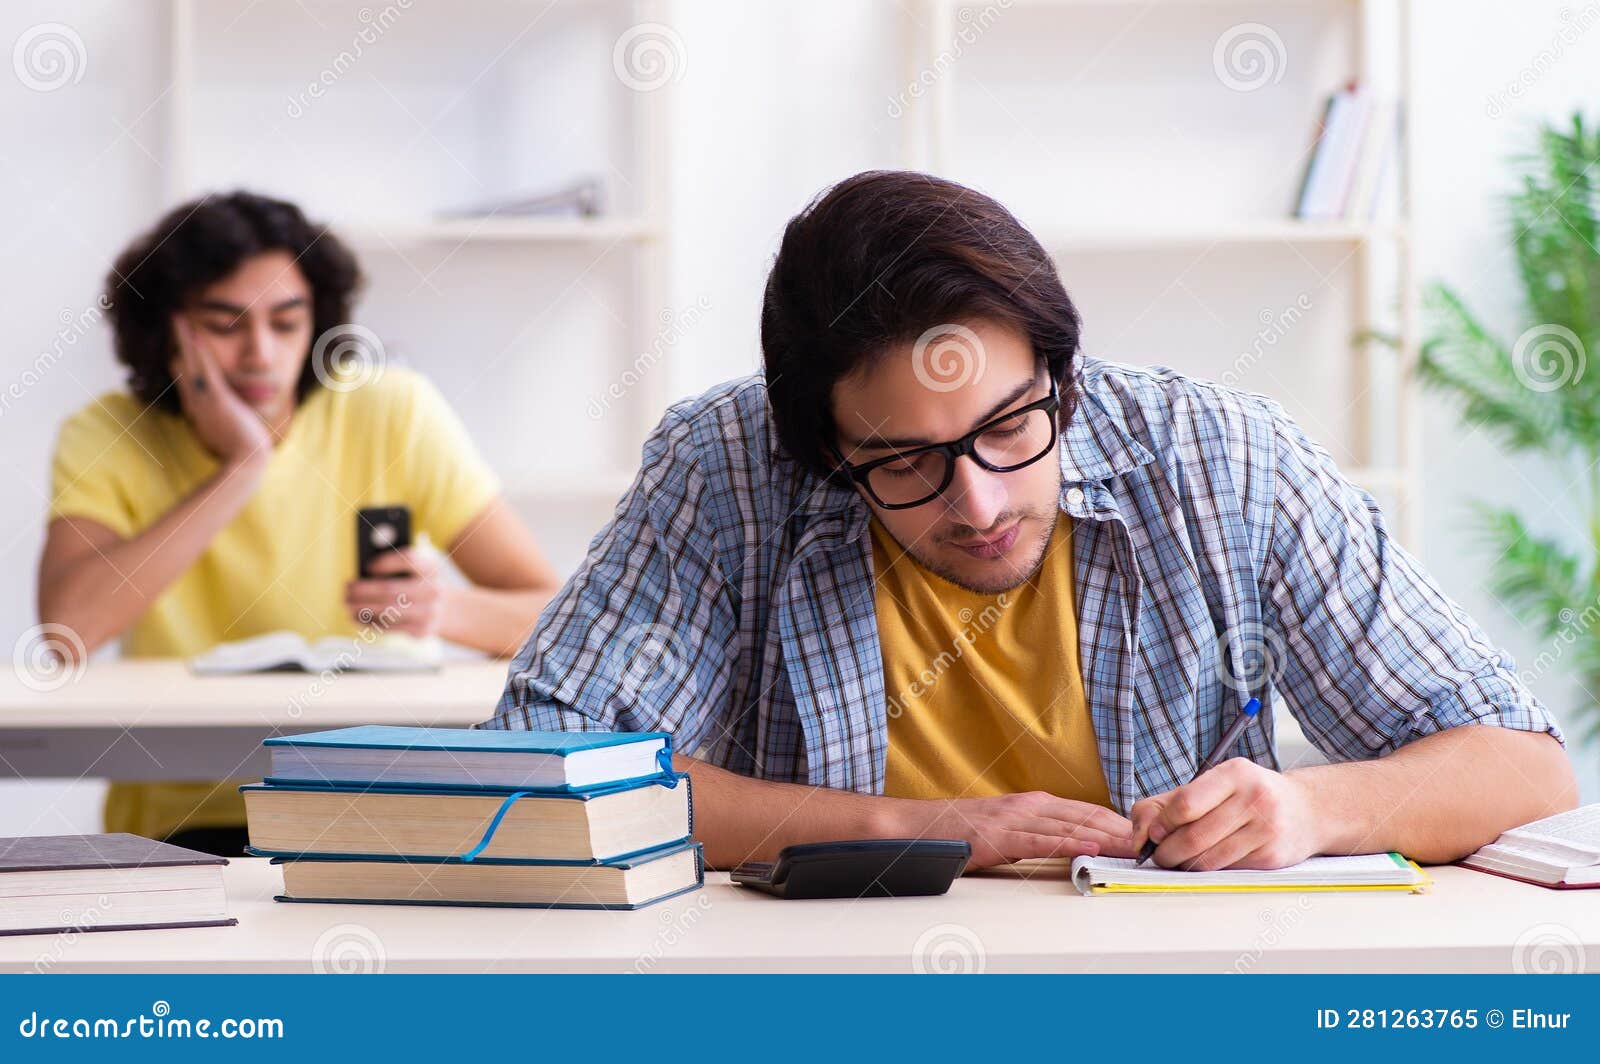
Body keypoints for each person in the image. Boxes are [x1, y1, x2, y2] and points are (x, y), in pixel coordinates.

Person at [486, 170, 1577, 871]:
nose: (981, 502)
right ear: (824, 450)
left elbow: (1524, 769)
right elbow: (543, 775)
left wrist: (1313, 807)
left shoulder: (1224, 461)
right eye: (904, 459)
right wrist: (919, 829)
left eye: (1010, 426)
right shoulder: (726, 464)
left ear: (1062, 375)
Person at [39, 191, 561, 854]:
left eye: (287, 323)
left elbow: (551, 618)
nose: (260, 353)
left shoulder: (392, 410)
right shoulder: (108, 431)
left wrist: (444, 610)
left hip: (381, 794)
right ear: (168, 331)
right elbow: (66, 633)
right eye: (225, 325)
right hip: (187, 811)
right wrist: (242, 466)